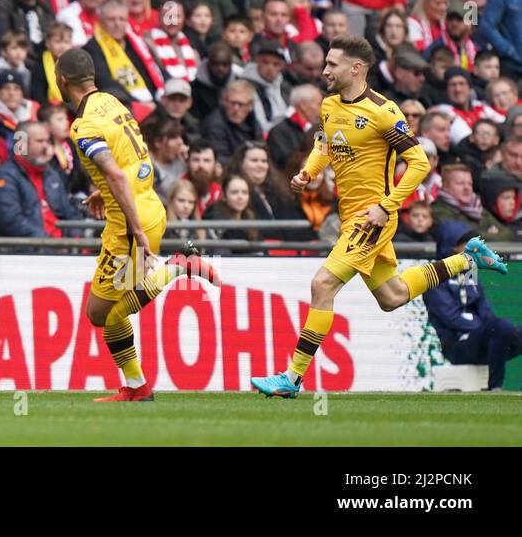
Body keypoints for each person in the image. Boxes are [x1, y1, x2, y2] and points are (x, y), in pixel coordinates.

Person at [252, 37, 509, 399]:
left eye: (332, 64)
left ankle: (292, 378)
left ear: (356, 68)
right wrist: (309, 173)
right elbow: (324, 145)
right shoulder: (329, 106)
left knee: (322, 285)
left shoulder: (384, 112)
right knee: (392, 295)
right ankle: (468, 258)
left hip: (373, 218)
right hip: (350, 217)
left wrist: (387, 206)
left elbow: (419, 163)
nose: (325, 71)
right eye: (325, 63)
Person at [58, 47, 220, 402]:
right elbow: (127, 161)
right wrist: (104, 191)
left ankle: (177, 267)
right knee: (113, 317)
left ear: (62, 81)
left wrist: (134, 229)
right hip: (149, 205)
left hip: (131, 224)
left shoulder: (83, 125)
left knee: (99, 313)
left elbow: (114, 171)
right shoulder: (113, 104)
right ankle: (136, 387)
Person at [424, 220, 522, 391]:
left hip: (480, 339)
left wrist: (497, 331)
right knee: (500, 327)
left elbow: (484, 307)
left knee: (503, 328)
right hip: (457, 346)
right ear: (452, 247)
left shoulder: (470, 273)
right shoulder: (434, 277)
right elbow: (450, 317)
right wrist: (485, 329)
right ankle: (495, 387)